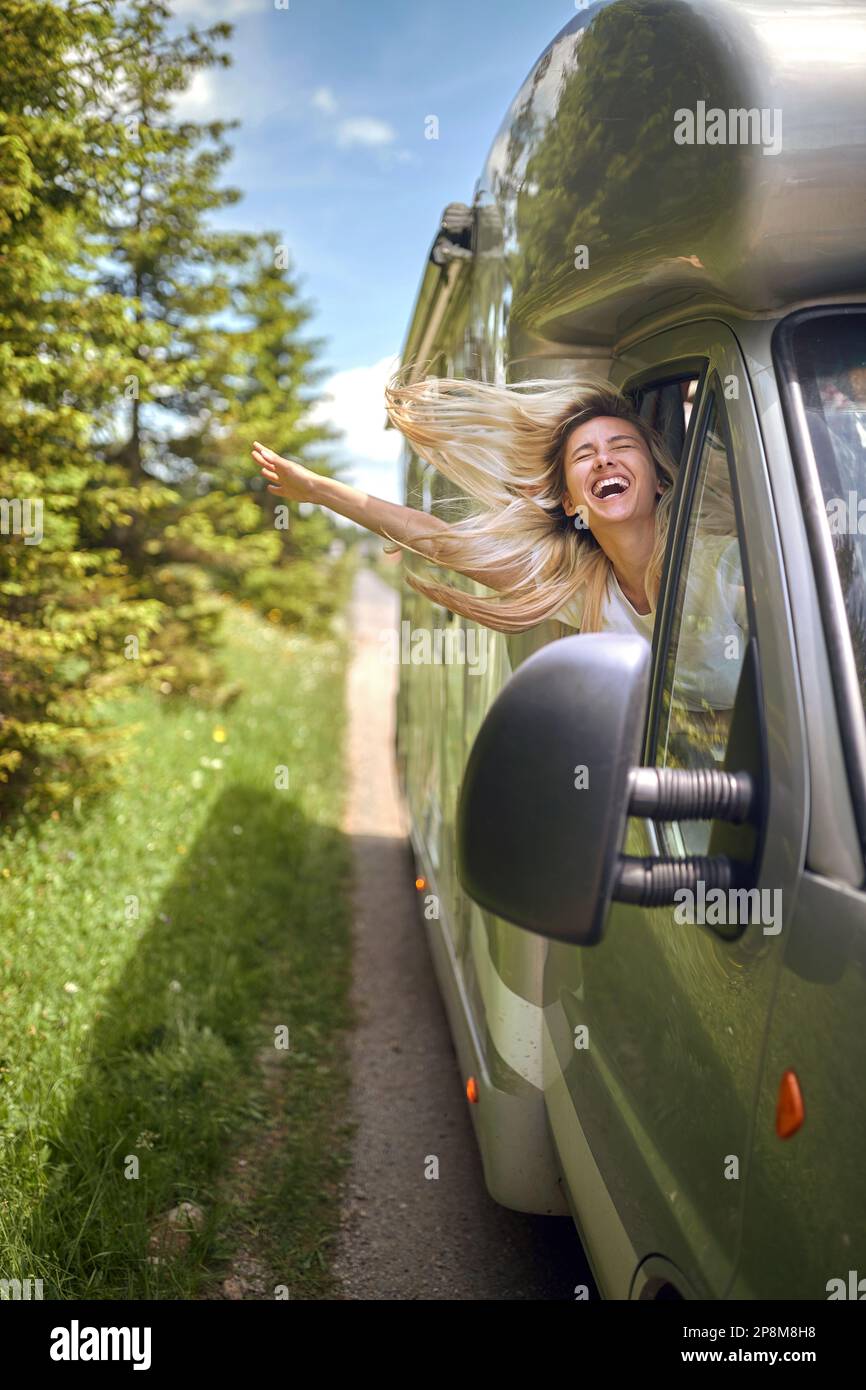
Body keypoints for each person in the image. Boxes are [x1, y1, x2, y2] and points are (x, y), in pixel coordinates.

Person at [251, 368, 744, 692]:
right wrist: (318, 491)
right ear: (571, 501)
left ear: (658, 480)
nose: (604, 459)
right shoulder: (585, 591)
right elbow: (436, 538)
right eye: (583, 454)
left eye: (621, 446)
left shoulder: (728, 570)